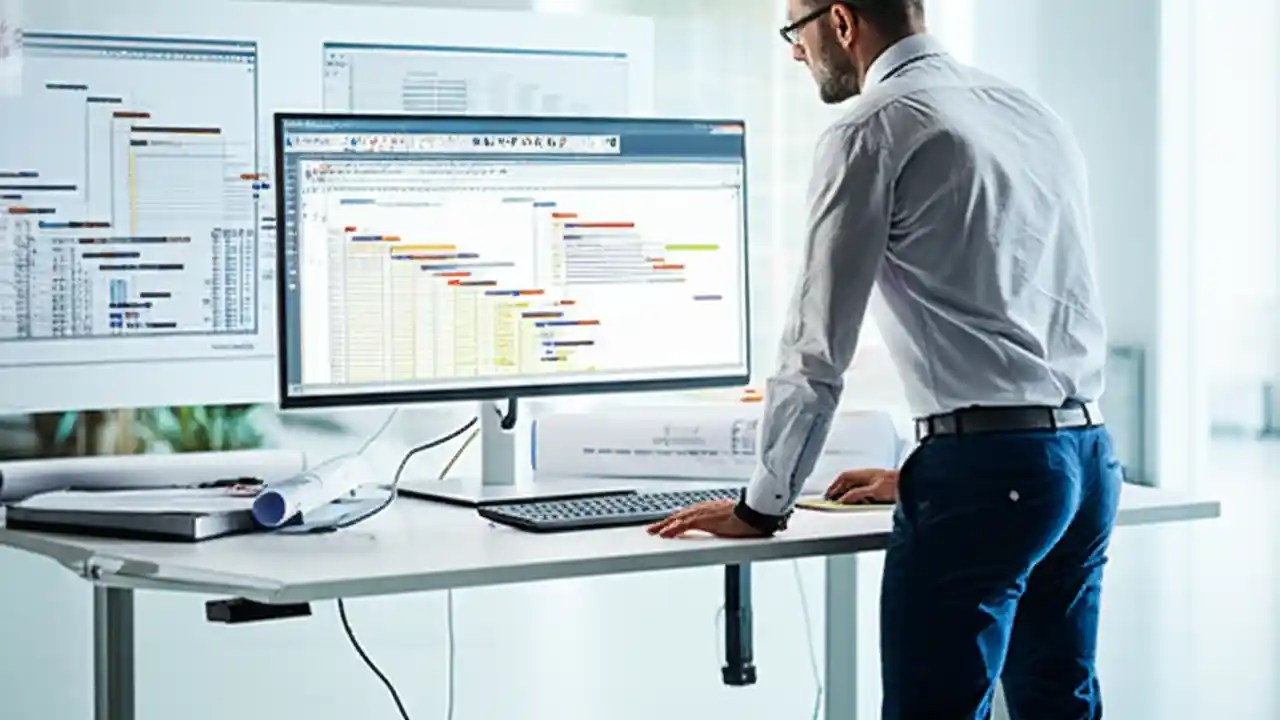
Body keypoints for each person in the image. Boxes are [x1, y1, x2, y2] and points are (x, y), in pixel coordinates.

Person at [646, 1, 1121, 718]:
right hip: (1084, 460)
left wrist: (762, 505)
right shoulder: (1026, 112)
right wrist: (929, 470)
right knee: (1060, 703)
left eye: (795, 32)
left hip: (993, 476)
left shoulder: (872, 127)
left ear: (840, 22)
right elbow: (1036, 307)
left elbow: (816, 344)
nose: (795, 53)